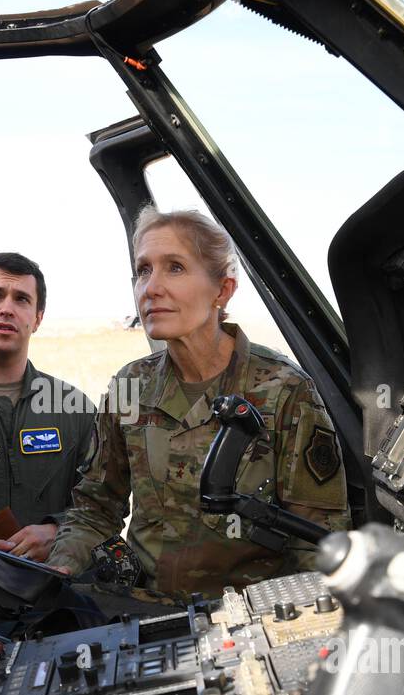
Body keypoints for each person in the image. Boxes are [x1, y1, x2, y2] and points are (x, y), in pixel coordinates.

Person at [47, 207, 351, 598]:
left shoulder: (285, 390)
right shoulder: (130, 386)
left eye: (174, 267)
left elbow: (318, 541)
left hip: (246, 620)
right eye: (143, 270)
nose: (151, 287)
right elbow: (95, 508)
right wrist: (62, 567)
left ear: (222, 290)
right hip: (144, 609)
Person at [0, 252, 96, 561]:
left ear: (37, 318)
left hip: (54, 592)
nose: (6, 308)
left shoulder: (74, 409)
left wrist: (58, 532)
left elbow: (105, 505)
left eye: (21, 299)